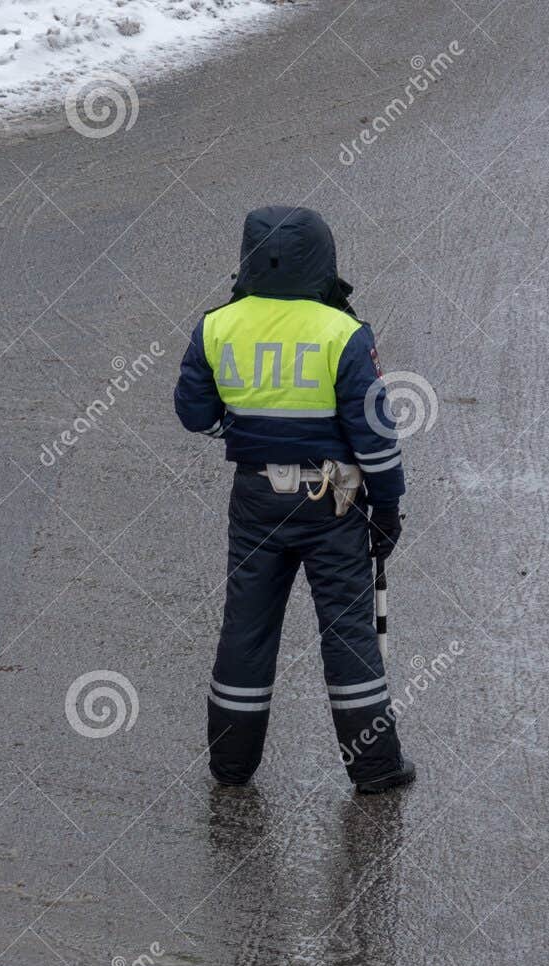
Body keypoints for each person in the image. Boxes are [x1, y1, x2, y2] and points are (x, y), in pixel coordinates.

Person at [174, 206, 415, 794]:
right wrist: (386, 507)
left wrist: (244, 435)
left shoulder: (215, 326)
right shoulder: (343, 333)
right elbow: (374, 436)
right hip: (332, 505)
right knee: (347, 634)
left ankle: (231, 766)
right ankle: (375, 769)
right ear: (322, 258)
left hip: (255, 498)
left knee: (246, 630)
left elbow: (192, 413)